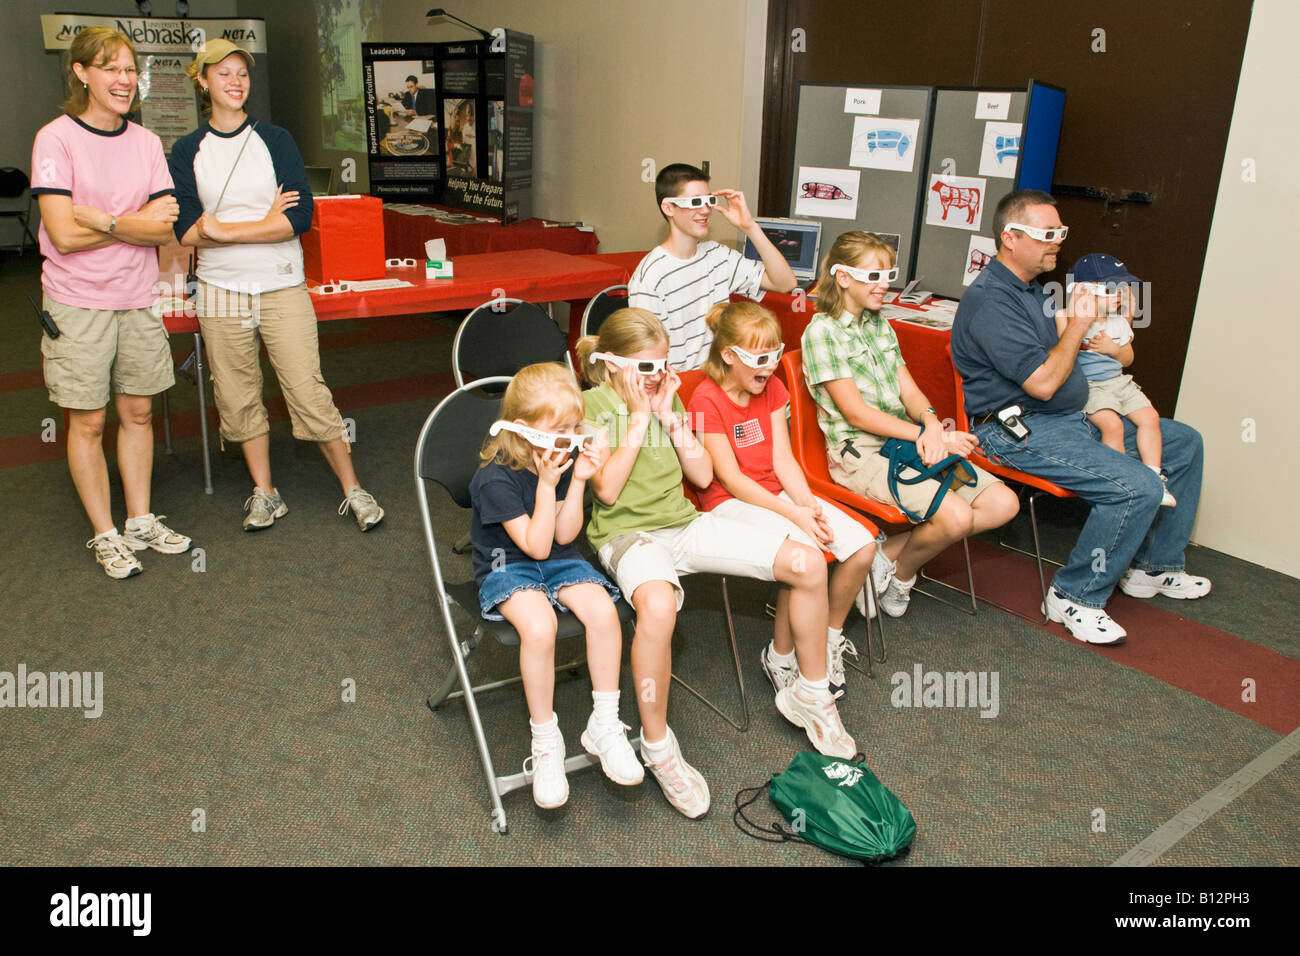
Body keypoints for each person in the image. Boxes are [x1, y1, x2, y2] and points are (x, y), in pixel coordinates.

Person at [578, 307, 855, 820]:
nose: (659, 377)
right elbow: (609, 491)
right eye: (646, 368)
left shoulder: (672, 396)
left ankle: (811, 696)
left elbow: (703, 476)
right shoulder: (591, 406)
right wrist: (639, 417)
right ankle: (657, 746)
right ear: (612, 365)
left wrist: (669, 417)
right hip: (626, 534)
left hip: (683, 524)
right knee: (658, 608)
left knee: (808, 562)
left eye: (664, 365)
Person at [951, 190, 1210, 645]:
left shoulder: (1033, 289)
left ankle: (1152, 567)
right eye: (1046, 234)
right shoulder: (993, 300)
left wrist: (1109, 315)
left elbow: (1105, 337)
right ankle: (1075, 596)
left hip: (1073, 419)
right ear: (1009, 238)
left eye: (1060, 232)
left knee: (1183, 440)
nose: (1057, 242)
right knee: (1138, 485)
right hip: (1017, 430)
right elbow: (1044, 384)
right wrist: (1076, 325)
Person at [170, 39, 384, 532]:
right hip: (220, 288)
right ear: (202, 81)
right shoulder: (187, 150)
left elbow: (298, 220)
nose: (235, 81)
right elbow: (185, 230)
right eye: (222, 73)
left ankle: (352, 487)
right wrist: (254, 224)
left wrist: (221, 229)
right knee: (237, 393)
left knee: (307, 388)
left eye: (242, 73)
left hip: (281, 283)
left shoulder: (276, 139)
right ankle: (265, 492)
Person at [31, 26, 192, 579]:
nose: (125, 80)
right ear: (81, 72)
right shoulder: (55, 139)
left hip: (137, 297)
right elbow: (62, 235)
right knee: (88, 420)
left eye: (130, 69)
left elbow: (165, 228)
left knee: (139, 411)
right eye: (111, 68)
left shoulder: (146, 144)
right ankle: (104, 532)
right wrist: (133, 225)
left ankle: (140, 519)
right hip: (78, 303)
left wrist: (100, 217)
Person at [802, 231, 1019, 617]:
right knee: (956, 518)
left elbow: (912, 394)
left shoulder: (878, 324)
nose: (885, 284)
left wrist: (933, 425)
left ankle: (887, 560)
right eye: (874, 276)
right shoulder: (822, 333)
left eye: (889, 274)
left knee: (1003, 503)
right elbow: (858, 415)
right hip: (858, 452)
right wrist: (926, 435)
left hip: (902, 439)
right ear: (844, 277)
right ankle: (903, 574)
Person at [686, 301, 879, 699]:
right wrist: (794, 514)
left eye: (775, 354)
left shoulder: (772, 387)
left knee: (862, 547)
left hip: (777, 493)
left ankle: (826, 638)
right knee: (804, 553)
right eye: (760, 357)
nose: (771, 365)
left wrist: (807, 506)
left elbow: (784, 459)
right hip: (729, 502)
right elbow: (731, 479)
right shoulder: (706, 400)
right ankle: (780, 655)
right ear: (728, 356)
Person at [469, 363, 637, 809]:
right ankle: (545, 740)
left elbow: (565, 537)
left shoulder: (559, 458)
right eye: (561, 428)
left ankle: (604, 723)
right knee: (540, 628)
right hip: (510, 565)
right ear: (524, 431)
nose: (572, 436)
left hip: (556, 557)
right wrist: (548, 484)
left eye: (574, 427)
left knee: (603, 612)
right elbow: (536, 545)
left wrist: (577, 479)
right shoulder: (494, 478)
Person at [628, 163, 798, 370]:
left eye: (709, 200)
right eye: (695, 202)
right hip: (678, 387)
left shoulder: (717, 256)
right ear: (668, 208)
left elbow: (785, 283)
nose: (705, 210)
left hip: (719, 378)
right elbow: (647, 359)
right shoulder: (651, 276)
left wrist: (749, 227)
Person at [1055, 253, 1176, 507]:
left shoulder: (1119, 322)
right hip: (1090, 386)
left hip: (1119, 382)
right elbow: (1063, 353)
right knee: (1112, 425)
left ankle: (1154, 477)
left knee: (1150, 418)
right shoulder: (1065, 316)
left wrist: (1113, 348)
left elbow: (1127, 358)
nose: (1120, 295)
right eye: (1112, 290)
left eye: (1123, 290)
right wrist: (1080, 314)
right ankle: (1120, 483)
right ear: (1083, 291)